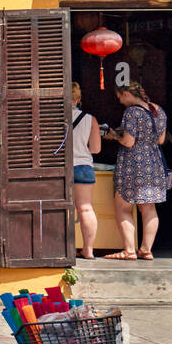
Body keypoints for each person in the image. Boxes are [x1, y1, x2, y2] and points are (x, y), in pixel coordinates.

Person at [104, 82, 172, 259]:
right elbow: (160, 140)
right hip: (154, 164)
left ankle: (129, 250)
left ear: (126, 93)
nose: (120, 101)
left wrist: (113, 135)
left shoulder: (132, 112)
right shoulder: (159, 111)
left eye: (120, 97)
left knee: (122, 206)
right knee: (149, 208)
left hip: (134, 165)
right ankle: (146, 250)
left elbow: (128, 142)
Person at [71, 82, 102, 259]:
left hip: (59, 167)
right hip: (83, 166)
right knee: (86, 209)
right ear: (79, 98)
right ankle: (88, 250)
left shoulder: (50, 117)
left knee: (58, 209)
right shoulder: (90, 119)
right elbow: (96, 149)